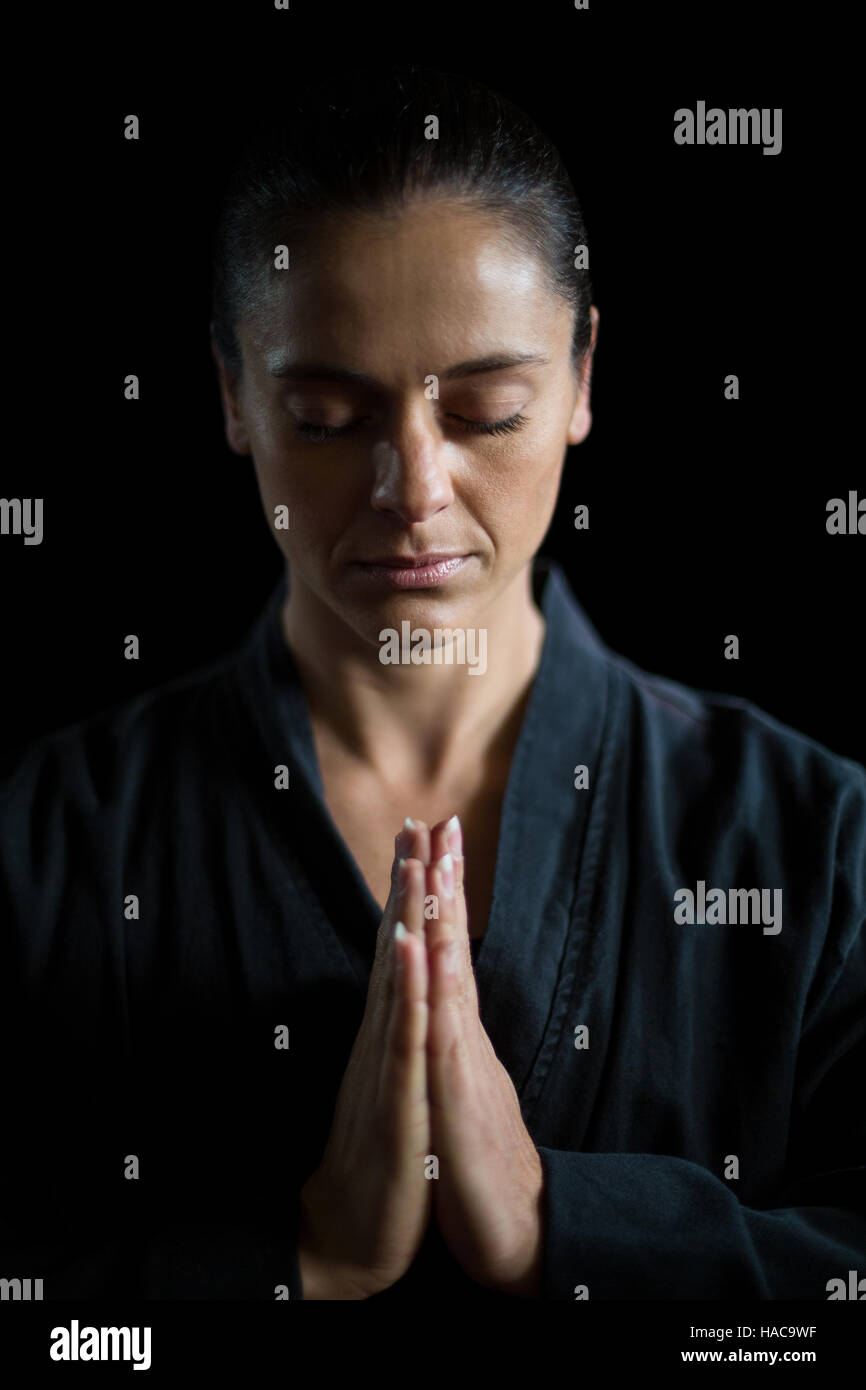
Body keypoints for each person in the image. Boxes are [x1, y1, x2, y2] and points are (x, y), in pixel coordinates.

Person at [1, 65, 864, 1302]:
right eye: (326, 414)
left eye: (486, 409)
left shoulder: (810, 843)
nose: (414, 490)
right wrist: (290, 1257)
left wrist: (557, 1226)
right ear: (232, 397)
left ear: (579, 381)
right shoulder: (50, 847)